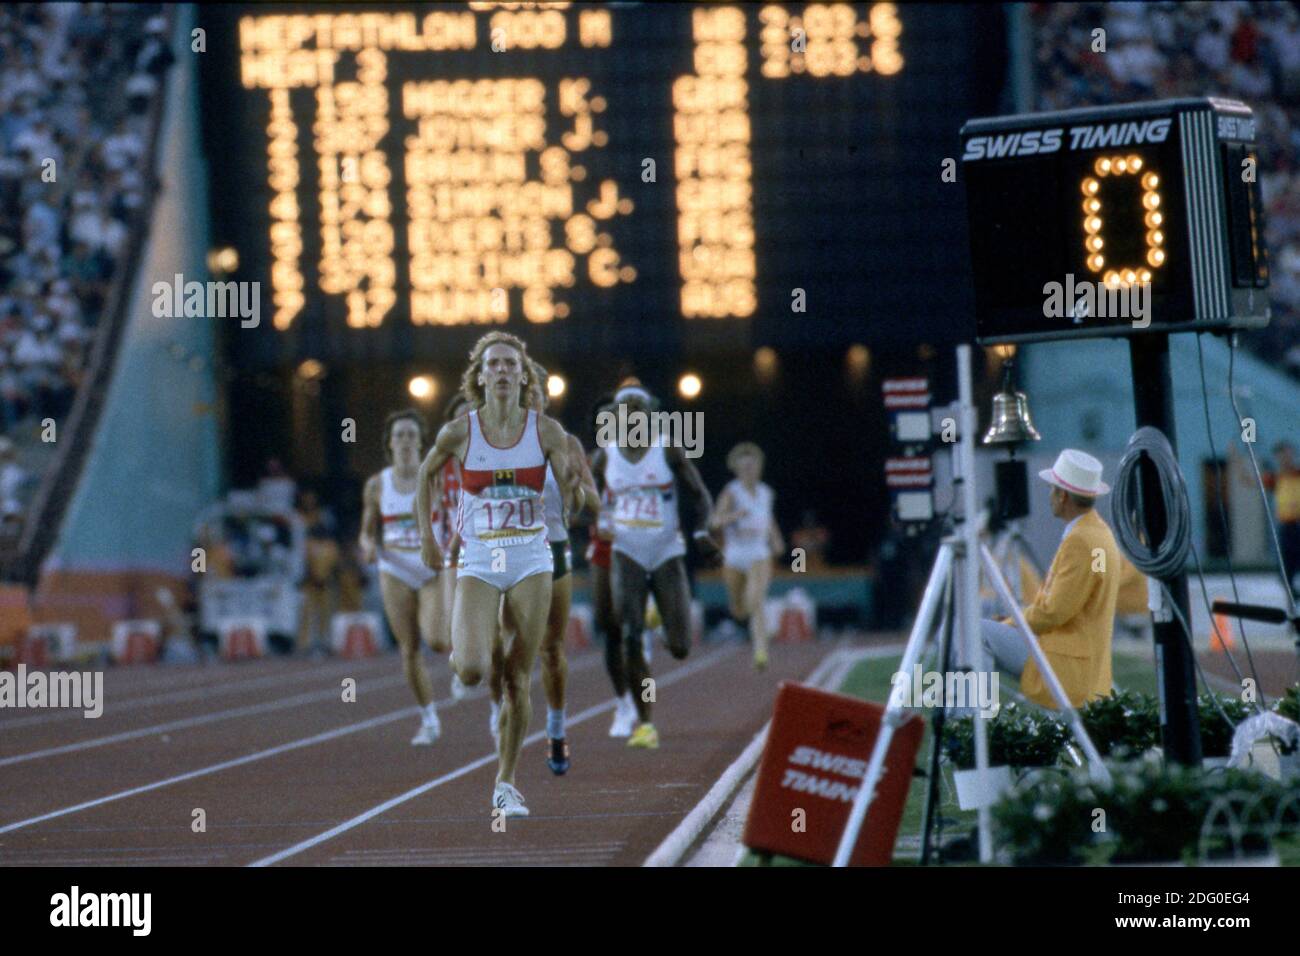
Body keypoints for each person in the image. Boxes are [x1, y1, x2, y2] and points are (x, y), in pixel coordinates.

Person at [416, 332, 579, 817]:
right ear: (481, 375)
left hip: (530, 557)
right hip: (481, 558)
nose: (504, 370)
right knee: (469, 667)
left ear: (522, 374)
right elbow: (427, 474)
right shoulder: (460, 432)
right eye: (495, 364)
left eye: (511, 363)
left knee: (517, 677)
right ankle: (478, 647)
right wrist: (427, 536)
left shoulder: (545, 431)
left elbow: (568, 487)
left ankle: (505, 783)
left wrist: (570, 493)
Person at [591, 380, 719, 749]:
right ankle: (646, 724)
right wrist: (595, 514)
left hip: (665, 550)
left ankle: (658, 613)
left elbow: (700, 496)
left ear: (650, 416)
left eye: (638, 410)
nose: (632, 417)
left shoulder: (668, 449)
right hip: (626, 551)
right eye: (624, 410)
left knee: (679, 647)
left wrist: (701, 533)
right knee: (630, 635)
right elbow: (584, 496)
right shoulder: (605, 456)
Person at [489, 361, 602, 774]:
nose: (532, 399)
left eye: (539, 394)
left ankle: (555, 729)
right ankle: (506, 717)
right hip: (504, 552)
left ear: (547, 398)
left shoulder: (565, 441)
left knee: (551, 649)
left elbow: (593, 504)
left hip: (551, 548)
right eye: (526, 392)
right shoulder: (492, 439)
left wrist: (573, 486)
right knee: (504, 649)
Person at [979, 449, 1120, 709]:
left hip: (1067, 663)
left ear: (1062, 495)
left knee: (975, 632)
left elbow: (1054, 612)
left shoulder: (1081, 540)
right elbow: (1088, 592)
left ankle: (969, 723)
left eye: (1052, 489)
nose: (1049, 495)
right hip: (1088, 662)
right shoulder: (1099, 536)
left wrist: (1009, 623)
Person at [359, 410, 446, 746]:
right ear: (390, 443)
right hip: (394, 566)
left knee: (437, 639)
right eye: (400, 435)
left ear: (422, 441)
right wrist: (367, 546)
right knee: (409, 648)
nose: (406, 441)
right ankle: (428, 718)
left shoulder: (435, 475)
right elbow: (366, 533)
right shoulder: (377, 485)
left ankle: (465, 653)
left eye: (412, 434)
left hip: (431, 567)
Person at [709, 442, 784, 670]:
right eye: (745, 467)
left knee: (756, 600)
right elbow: (714, 521)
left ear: (759, 467)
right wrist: (733, 516)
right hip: (734, 555)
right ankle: (754, 625)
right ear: (738, 470)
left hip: (758, 553)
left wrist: (776, 538)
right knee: (738, 609)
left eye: (753, 466)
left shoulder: (766, 492)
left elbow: (767, 518)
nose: (750, 471)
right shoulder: (732, 492)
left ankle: (760, 651)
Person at [1262, 440, 1300, 592]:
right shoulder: (1277, 477)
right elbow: (1250, 481)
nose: (1285, 459)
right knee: (1287, 564)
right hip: (1287, 525)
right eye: (1282, 456)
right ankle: (1291, 591)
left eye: (1288, 454)